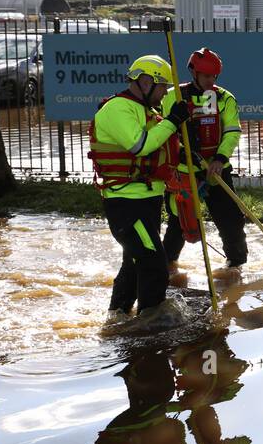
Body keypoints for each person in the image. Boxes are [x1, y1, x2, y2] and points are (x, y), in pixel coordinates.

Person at [88, 54, 191, 324]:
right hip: (125, 204)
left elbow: (160, 150)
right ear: (145, 82)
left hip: (148, 200)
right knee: (154, 264)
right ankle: (151, 325)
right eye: (162, 87)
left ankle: (118, 317)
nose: (164, 94)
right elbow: (140, 145)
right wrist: (171, 121)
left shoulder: (149, 112)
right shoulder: (117, 109)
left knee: (134, 263)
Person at [160, 47, 247, 287]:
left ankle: (236, 264)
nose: (211, 81)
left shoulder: (225, 98)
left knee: (230, 218)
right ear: (193, 73)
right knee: (180, 221)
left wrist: (219, 159)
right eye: (206, 76)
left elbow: (232, 131)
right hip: (183, 172)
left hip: (216, 170)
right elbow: (164, 132)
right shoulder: (172, 97)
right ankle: (168, 265)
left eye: (214, 77)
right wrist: (179, 156)